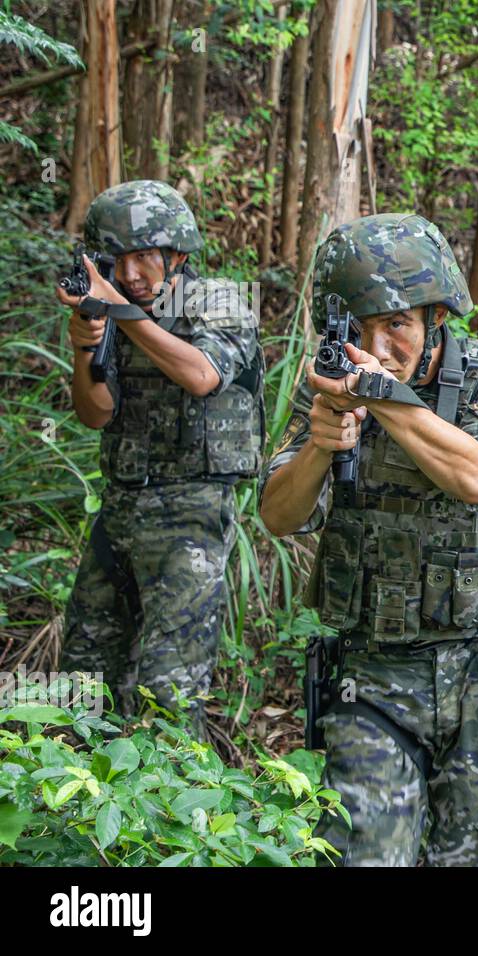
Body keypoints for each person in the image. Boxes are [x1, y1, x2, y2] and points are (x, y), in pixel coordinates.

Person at [260, 213, 478, 866]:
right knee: (361, 850)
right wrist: (321, 447)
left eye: (395, 325)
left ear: (435, 317)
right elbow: (279, 515)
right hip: (374, 669)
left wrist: (382, 398)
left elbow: (476, 476)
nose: (376, 345)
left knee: (477, 853)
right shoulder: (327, 390)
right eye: (358, 327)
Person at [58, 180, 264, 739]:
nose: (129, 274)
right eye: (115, 260)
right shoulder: (116, 310)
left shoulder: (218, 300)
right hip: (120, 508)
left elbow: (203, 375)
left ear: (176, 255)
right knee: (81, 676)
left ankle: (176, 815)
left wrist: (122, 314)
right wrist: (85, 344)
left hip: (191, 515)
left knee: (169, 693)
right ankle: (68, 810)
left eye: (143, 257)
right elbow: (96, 412)